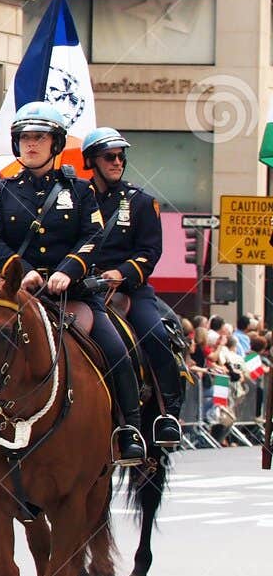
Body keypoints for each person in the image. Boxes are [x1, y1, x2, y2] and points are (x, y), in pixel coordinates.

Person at [0, 103, 146, 466]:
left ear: (56, 144)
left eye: (40, 137)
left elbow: (93, 236)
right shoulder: (2, 190)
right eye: (25, 138)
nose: (31, 144)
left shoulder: (80, 191)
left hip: (70, 292)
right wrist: (21, 270)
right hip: (14, 290)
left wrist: (68, 270)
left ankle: (129, 429)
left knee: (116, 348)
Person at [77, 127, 183, 448]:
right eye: (109, 156)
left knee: (156, 334)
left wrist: (121, 273)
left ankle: (168, 414)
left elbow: (150, 252)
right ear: (91, 161)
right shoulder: (75, 199)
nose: (117, 162)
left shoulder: (141, 202)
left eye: (121, 156)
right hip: (82, 286)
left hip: (129, 289)